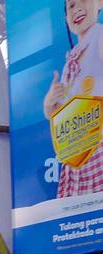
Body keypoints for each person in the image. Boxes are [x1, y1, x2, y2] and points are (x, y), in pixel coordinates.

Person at [44, 0, 103, 198]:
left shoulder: (99, 37)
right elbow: (56, 115)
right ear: (65, 19)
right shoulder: (71, 60)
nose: (77, 8)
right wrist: (50, 101)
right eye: (70, 6)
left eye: (83, 0)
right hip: (77, 158)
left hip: (97, 151)